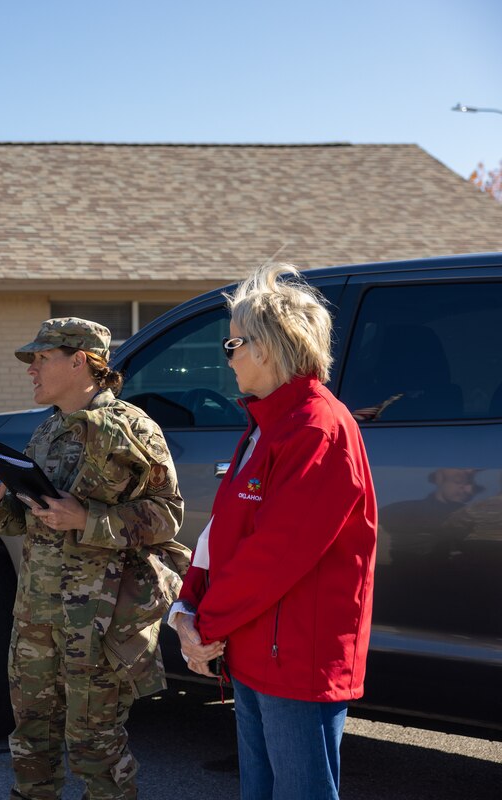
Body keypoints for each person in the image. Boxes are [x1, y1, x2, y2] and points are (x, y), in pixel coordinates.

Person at [0, 318, 190, 800]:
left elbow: (168, 516)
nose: (32, 370)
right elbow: (32, 519)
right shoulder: (48, 431)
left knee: (94, 748)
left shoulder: (131, 428)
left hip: (99, 621)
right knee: (31, 743)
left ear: (80, 361)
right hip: (37, 617)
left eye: (42, 358)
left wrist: (88, 518)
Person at [170, 264, 378, 800]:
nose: (228, 357)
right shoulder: (267, 426)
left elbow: (277, 553)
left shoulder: (317, 428)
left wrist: (206, 624)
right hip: (255, 649)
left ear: (264, 348)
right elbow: (222, 534)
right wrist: (187, 608)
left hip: (296, 659)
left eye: (233, 343)